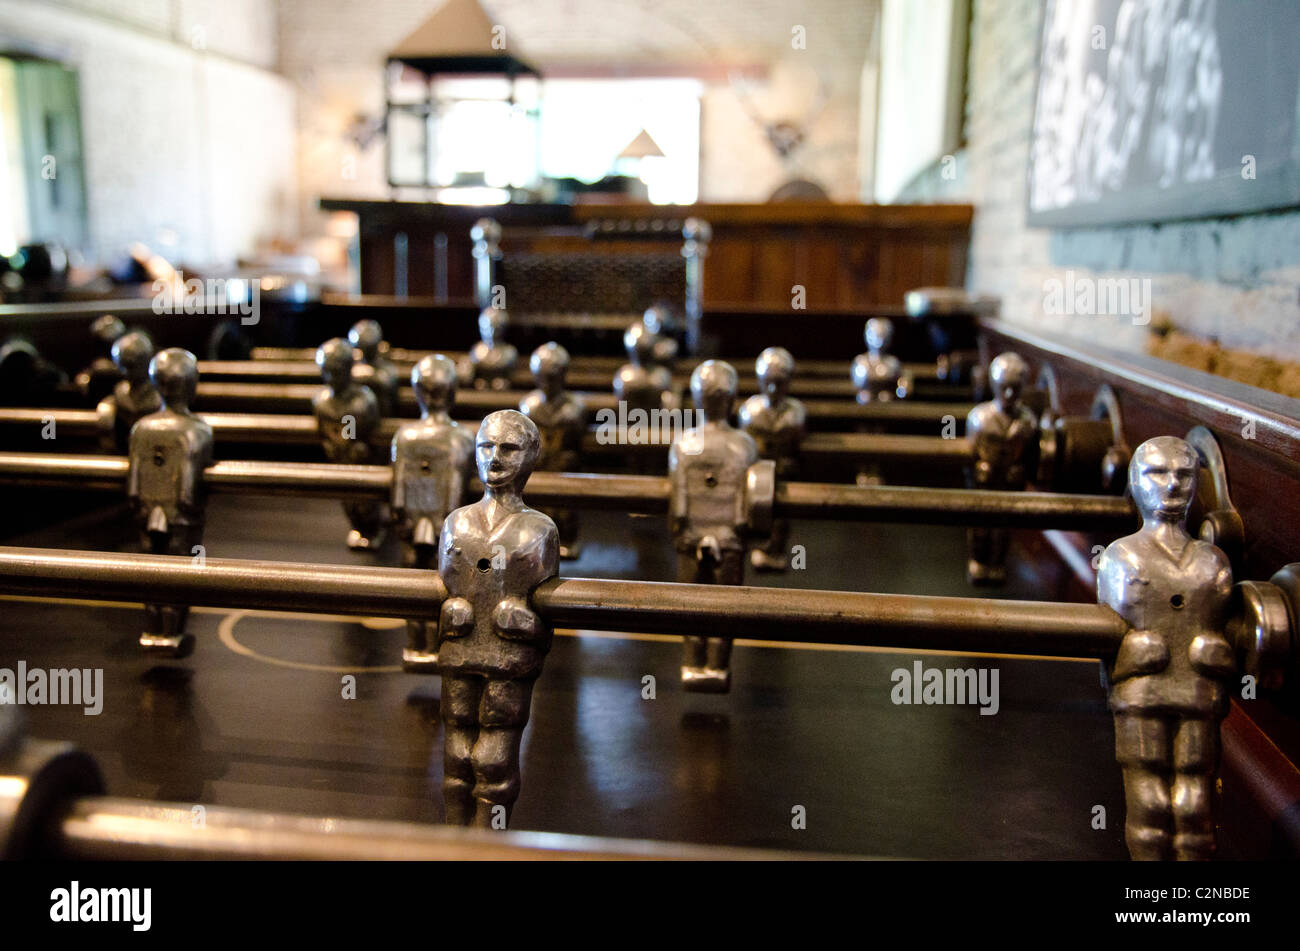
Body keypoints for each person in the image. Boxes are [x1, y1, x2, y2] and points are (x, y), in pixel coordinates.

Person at [1098, 435, 1235, 861]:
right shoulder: (1121, 557)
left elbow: (1228, 645)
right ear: (1136, 482)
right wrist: (1128, 659)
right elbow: (1107, 648)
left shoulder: (1213, 563)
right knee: (1150, 800)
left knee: (1193, 803)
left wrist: (1216, 656)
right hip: (1141, 696)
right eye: (1157, 473)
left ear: (1198, 484)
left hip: (1197, 697)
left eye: (1184, 474)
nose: (1172, 485)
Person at [435, 410, 559, 827]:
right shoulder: (456, 523)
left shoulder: (539, 530)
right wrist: (450, 613)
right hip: (460, 649)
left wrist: (524, 622)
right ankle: (455, 841)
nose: (494, 458)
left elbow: (544, 624)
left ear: (531, 456)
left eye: (509, 448)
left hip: (508, 659)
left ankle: (489, 842)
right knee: (455, 757)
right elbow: (446, 591)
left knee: (494, 759)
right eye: (486, 446)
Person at [668, 361, 758, 692]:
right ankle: (718, 666)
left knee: (690, 604)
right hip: (730, 536)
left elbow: (678, 503)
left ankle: (692, 663)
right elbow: (748, 503)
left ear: (695, 400)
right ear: (732, 398)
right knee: (725, 606)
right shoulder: (745, 445)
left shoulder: (683, 444)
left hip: (691, 535)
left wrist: (679, 531)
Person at [126, 348, 213, 656]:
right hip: (181, 516)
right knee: (178, 574)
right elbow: (189, 485)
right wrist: (190, 507)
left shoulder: (140, 429)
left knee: (150, 572)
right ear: (192, 385)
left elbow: (134, 483)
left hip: (148, 512)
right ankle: (171, 631)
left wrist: (141, 506)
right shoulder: (197, 431)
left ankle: (152, 628)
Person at [391, 354, 475, 671]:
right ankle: (446, 644)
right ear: (452, 392)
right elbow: (456, 485)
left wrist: (401, 517)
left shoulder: (404, 436)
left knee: (412, 584)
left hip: (412, 521)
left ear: (417, 392)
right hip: (448, 524)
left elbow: (398, 491)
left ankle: (416, 644)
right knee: (449, 586)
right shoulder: (462, 438)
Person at [964, 352, 1037, 585]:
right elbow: (968, 456)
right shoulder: (979, 418)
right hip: (983, 483)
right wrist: (977, 470)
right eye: (1004, 387)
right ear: (995, 385)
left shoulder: (1028, 421)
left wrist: (1020, 470)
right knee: (980, 527)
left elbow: (1031, 457)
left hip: (1009, 484)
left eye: (1015, 388)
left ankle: (996, 564)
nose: (1008, 394)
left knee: (1002, 529)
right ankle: (978, 561)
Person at [313, 337, 385, 550]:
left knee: (366, 503)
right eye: (326, 371)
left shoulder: (363, 402)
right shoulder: (320, 401)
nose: (330, 377)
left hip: (363, 459)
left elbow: (356, 431)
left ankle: (372, 530)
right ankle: (359, 528)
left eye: (336, 371)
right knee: (349, 503)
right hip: (339, 458)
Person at [738, 347, 806, 571]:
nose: (774, 388)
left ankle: (775, 549)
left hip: (785, 470)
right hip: (757, 471)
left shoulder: (796, 412)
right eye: (768, 382)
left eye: (780, 382)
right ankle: (758, 546)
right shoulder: (750, 411)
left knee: (781, 514)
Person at [520, 343, 586, 559]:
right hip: (538, 465)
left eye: (553, 377)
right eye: (543, 377)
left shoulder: (575, 408)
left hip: (564, 466)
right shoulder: (529, 406)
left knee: (566, 509)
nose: (548, 383)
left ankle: (566, 538)